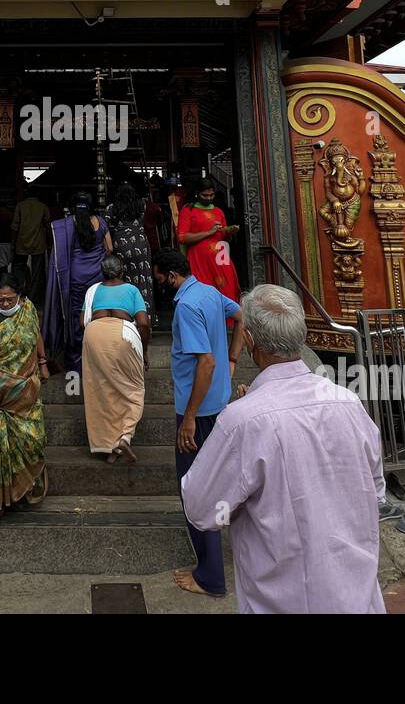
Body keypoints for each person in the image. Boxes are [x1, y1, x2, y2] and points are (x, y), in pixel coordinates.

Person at [182, 284, 386, 613]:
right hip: (358, 597)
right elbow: (375, 492)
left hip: (284, 601)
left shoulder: (241, 421)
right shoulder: (349, 404)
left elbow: (202, 508)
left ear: (248, 340)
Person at [153, 247, 243, 598]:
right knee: (216, 484)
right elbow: (243, 313)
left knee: (195, 488)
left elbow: (204, 362)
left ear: (171, 276)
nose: (159, 283)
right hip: (218, 404)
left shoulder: (187, 306)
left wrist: (188, 418)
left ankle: (210, 576)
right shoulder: (209, 291)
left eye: (160, 277)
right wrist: (233, 358)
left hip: (199, 411)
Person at [0, 274, 48, 532]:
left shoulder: (27, 310)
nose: (5, 304)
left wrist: (42, 362)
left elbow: (36, 334)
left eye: (10, 299)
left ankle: (24, 489)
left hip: (27, 395)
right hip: (0, 398)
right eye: (1, 299)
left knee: (32, 441)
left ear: (20, 296)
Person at [80, 254, 150, 463]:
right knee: (134, 390)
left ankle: (108, 447)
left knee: (100, 390)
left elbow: (82, 323)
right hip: (122, 334)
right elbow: (144, 323)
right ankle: (124, 437)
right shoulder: (131, 290)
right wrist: (144, 350)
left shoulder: (93, 290)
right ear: (122, 272)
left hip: (93, 334)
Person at [42, 192, 111, 373]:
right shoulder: (101, 221)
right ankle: (96, 355)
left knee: (75, 316)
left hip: (75, 277)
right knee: (97, 313)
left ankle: (75, 359)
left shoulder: (66, 224)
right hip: (97, 276)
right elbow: (109, 248)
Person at [177, 176, 240, 308]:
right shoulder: (188, 210)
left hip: (221, 257)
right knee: (203, 293)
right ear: (197, 193)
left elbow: (223, 238)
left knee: (226, 290)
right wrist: (208, 232)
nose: (209, 198)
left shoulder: (219, 211)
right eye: (205, 195)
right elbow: (182, 237)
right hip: (199, 259)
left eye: (211, 195)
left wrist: (229, 233)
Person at [107, 183, 155, 320]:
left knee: (122, 280)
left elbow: (107, 226)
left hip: (121, 245)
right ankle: (146, 319)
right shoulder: (142, 205)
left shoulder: (111, 208)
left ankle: (125, 319)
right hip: (141, 245)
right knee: (144, 280)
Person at [11, 188, 51, 303]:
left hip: (21, 243)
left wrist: (13, 243)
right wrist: (49, 242)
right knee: (36, 273)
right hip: (38, 243)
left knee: (18, 270)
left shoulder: (20, 206)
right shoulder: (43, 207)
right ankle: (32, 299)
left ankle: (18, 295)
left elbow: (14, 226)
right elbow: (47, 226)